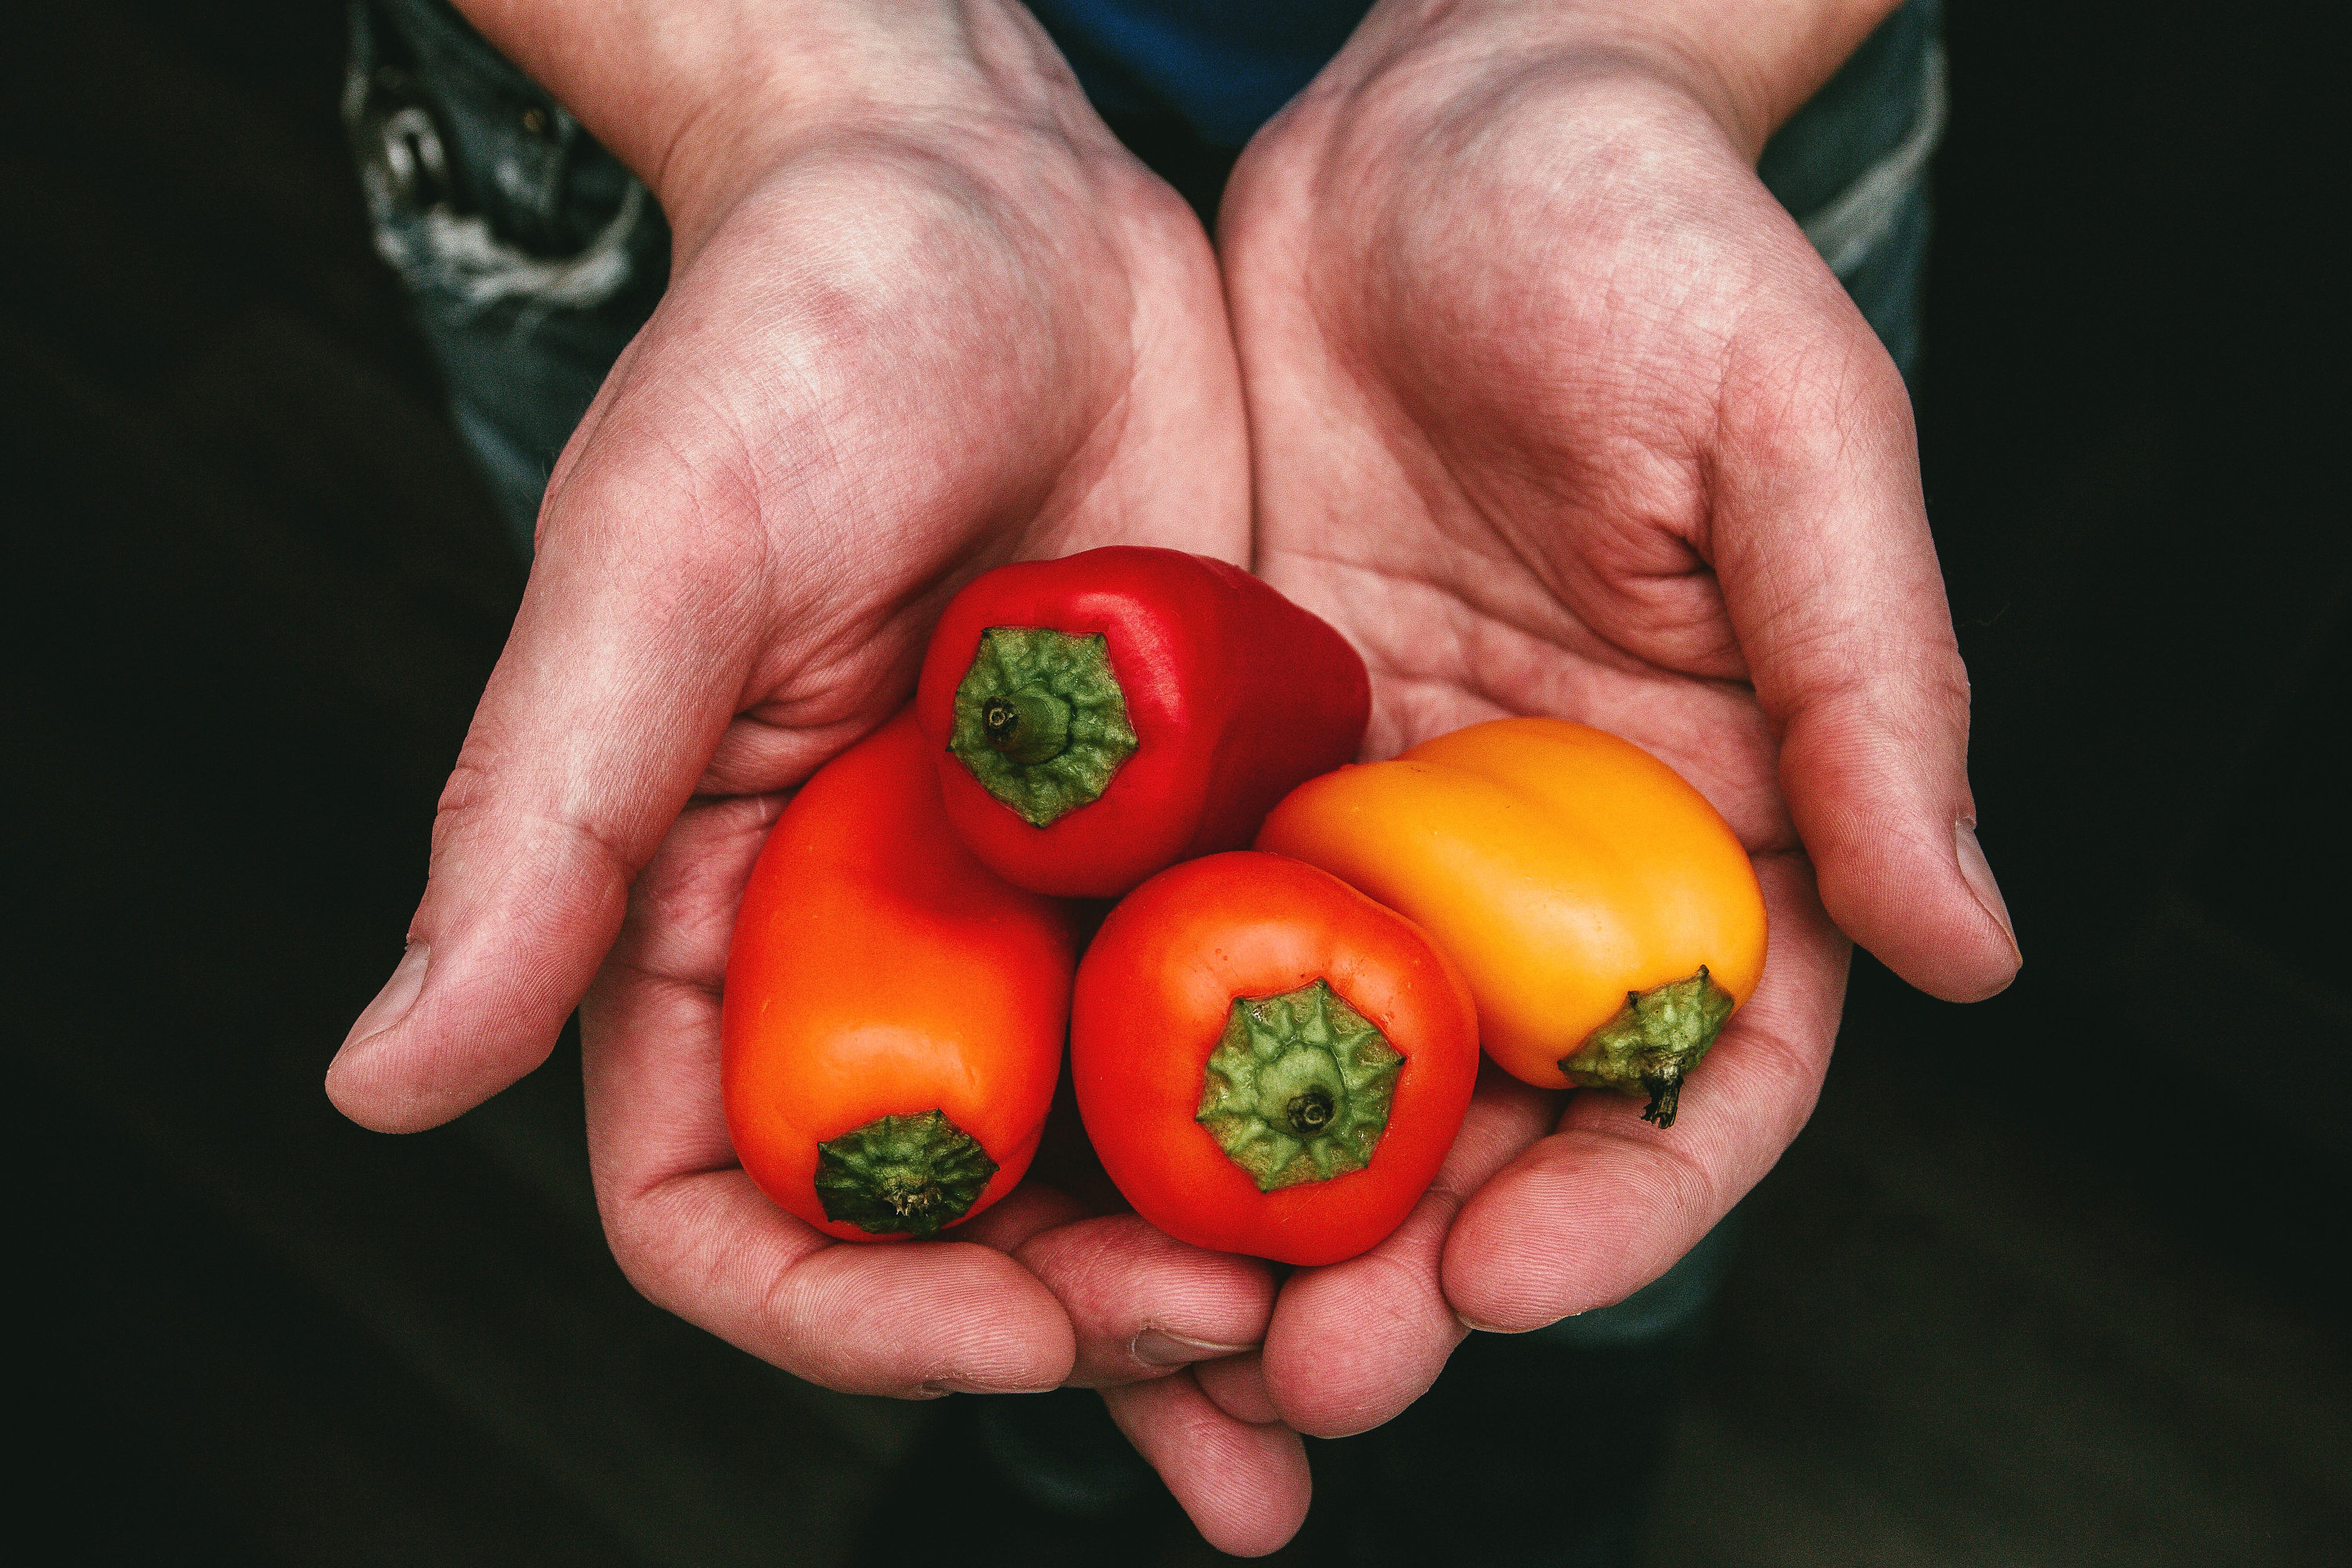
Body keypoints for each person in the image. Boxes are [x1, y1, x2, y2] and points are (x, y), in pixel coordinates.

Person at [325, 0, 2018, 1555]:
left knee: (1615, 1152)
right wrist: (795, 84)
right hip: (682, 113)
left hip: (1680, 103)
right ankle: (1071, 1461)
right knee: (1147, 1276)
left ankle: (1563, 1402)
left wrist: (1610, 38)